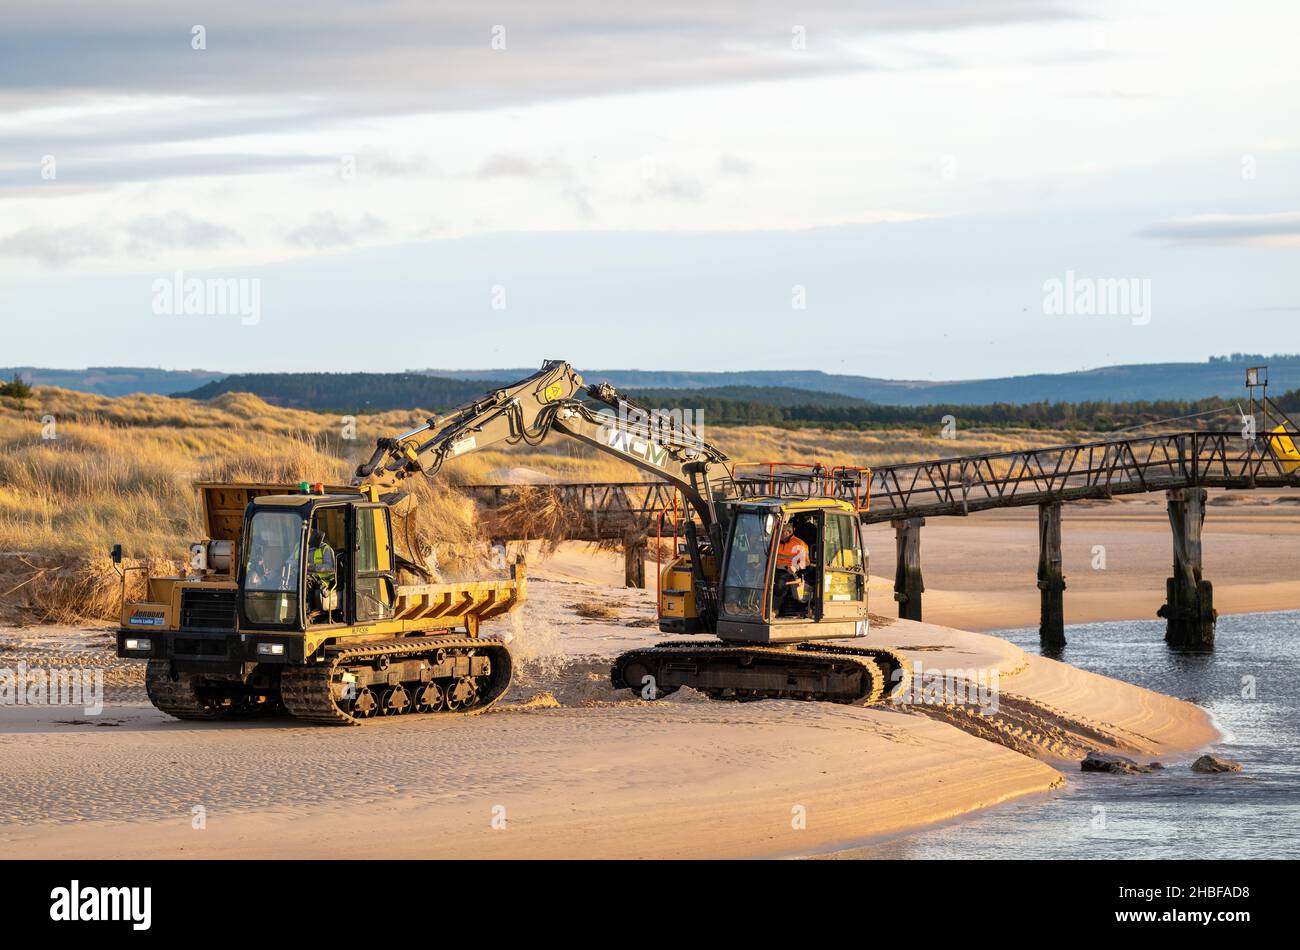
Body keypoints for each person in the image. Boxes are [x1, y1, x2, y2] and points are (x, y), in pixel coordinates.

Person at [774, 519, 810, 616]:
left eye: (781, 532)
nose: (779, 533)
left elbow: (806, 562)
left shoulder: (799, 544)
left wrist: (795, 567)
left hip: (787, 571)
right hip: (773, 569)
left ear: (788, 532)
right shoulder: (775, 541)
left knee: (780, 585)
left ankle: (774, 610)